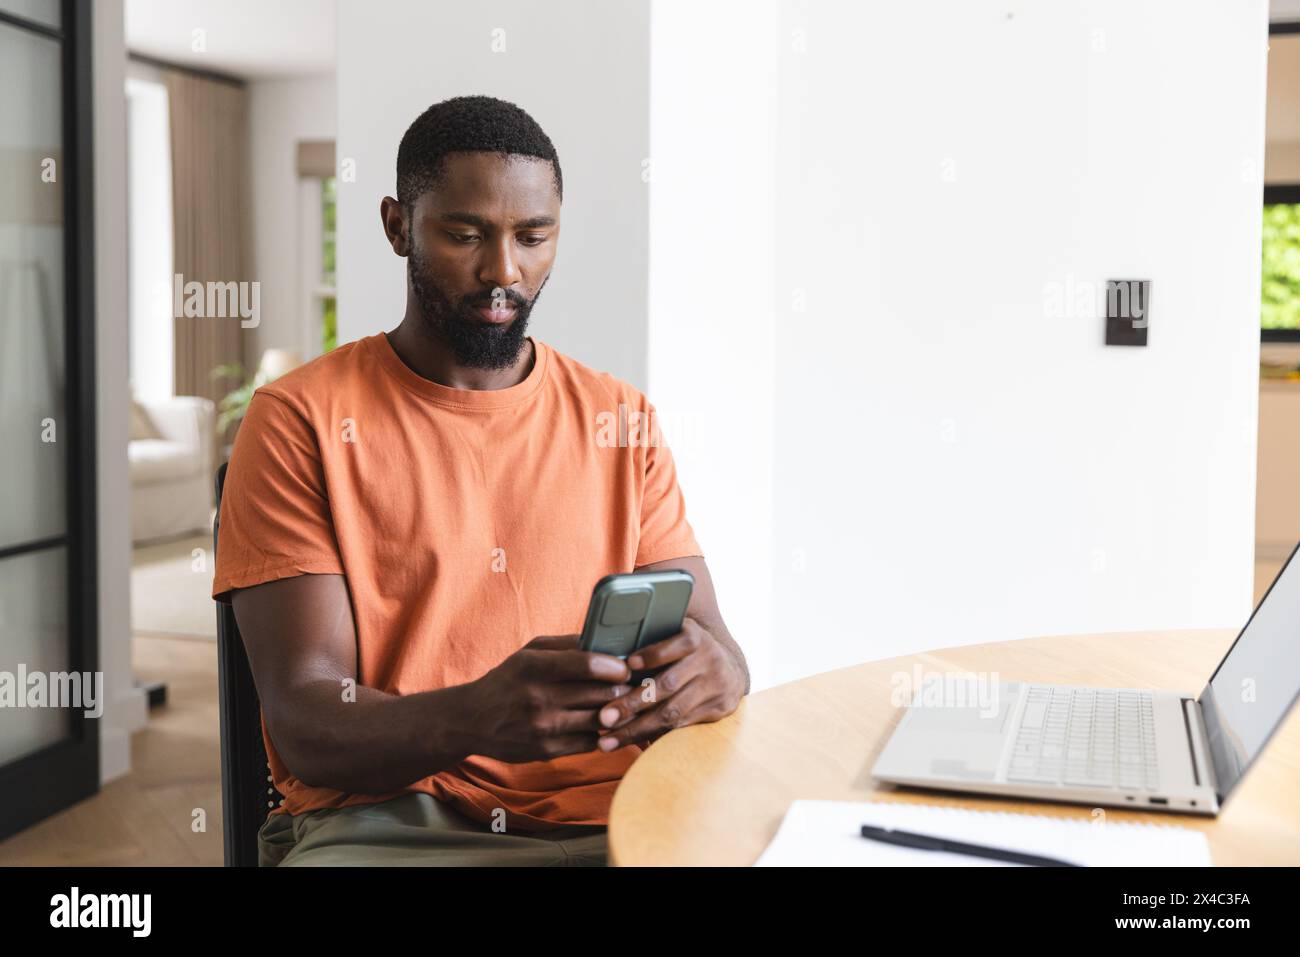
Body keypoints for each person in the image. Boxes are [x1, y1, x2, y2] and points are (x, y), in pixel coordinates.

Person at [211, 95, 748, 866]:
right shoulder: (300, 421)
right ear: (398, 225)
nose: (505, 271)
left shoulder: (619, 417)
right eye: (465, 234)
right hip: (397, 824)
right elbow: (304, 720)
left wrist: (717, 674)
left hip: (626, 814)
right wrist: (475, 717)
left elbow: (720, 649)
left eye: (534, 236)